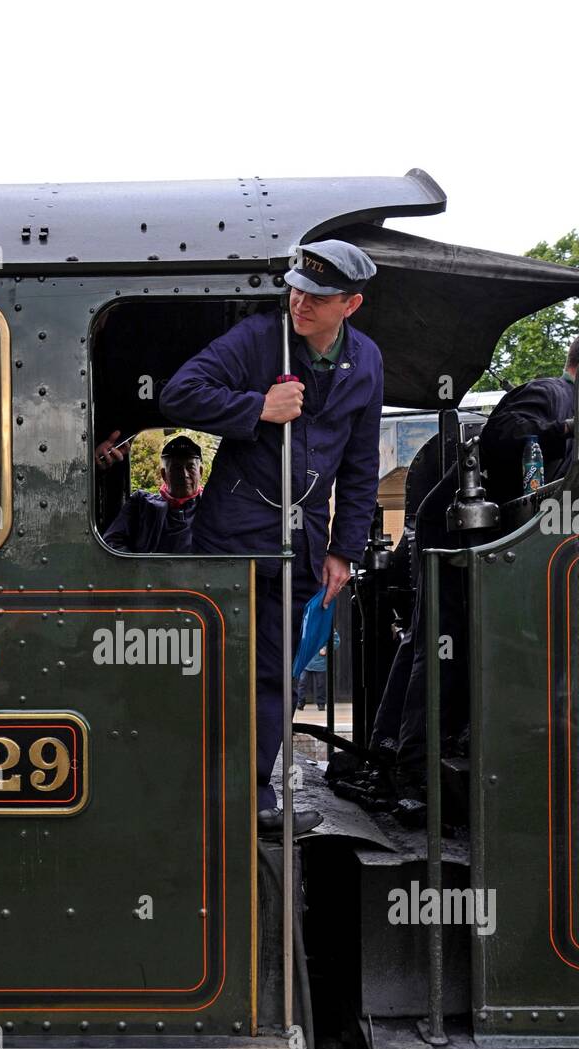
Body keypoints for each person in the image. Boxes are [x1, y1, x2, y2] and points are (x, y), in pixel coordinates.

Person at [159, 240, 383, 834]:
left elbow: (361, 464)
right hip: (231, 536)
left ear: (351, 304)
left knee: (274, 675)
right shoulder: (258, 338)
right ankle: (194, 793)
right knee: (214, 667)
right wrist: (258, 406)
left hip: (304, 541)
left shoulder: (366, 363)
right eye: (296, 288)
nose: (301, 302)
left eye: (319, 296)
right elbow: (178, 394)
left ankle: (254, 797)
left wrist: (345, 548)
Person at [369, 339, 578, 813]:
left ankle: (393, 746)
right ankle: (414, 769)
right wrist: (566, 426)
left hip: (484, 536)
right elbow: (507, 433)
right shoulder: (551, 391)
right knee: (442, 643)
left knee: (437, 642)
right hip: (457, 526)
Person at [102, 435, 203, 553]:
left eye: (190, 467)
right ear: (164, 474)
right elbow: (111, 542)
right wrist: (140, 568)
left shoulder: (212, 507)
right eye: (176, 468)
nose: (184, 474)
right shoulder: (140, 504)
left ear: (200, 472)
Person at [297, 630, 340, 710]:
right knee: (302, 683)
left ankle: (321, 704)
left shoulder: (326, 623)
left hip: (320, 663)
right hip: (306, 661)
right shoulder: (307, 622)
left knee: (321, 685)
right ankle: (300, 703)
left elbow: (336, 640)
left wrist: (326, 649)